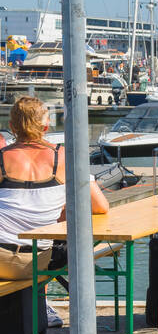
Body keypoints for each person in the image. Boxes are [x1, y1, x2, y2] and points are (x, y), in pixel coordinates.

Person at [0, 97, 110, 285]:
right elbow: (100, 206)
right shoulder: (64, 157)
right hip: (37, 260)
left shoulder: (2, 158)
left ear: (11, 126)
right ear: (45, 126)